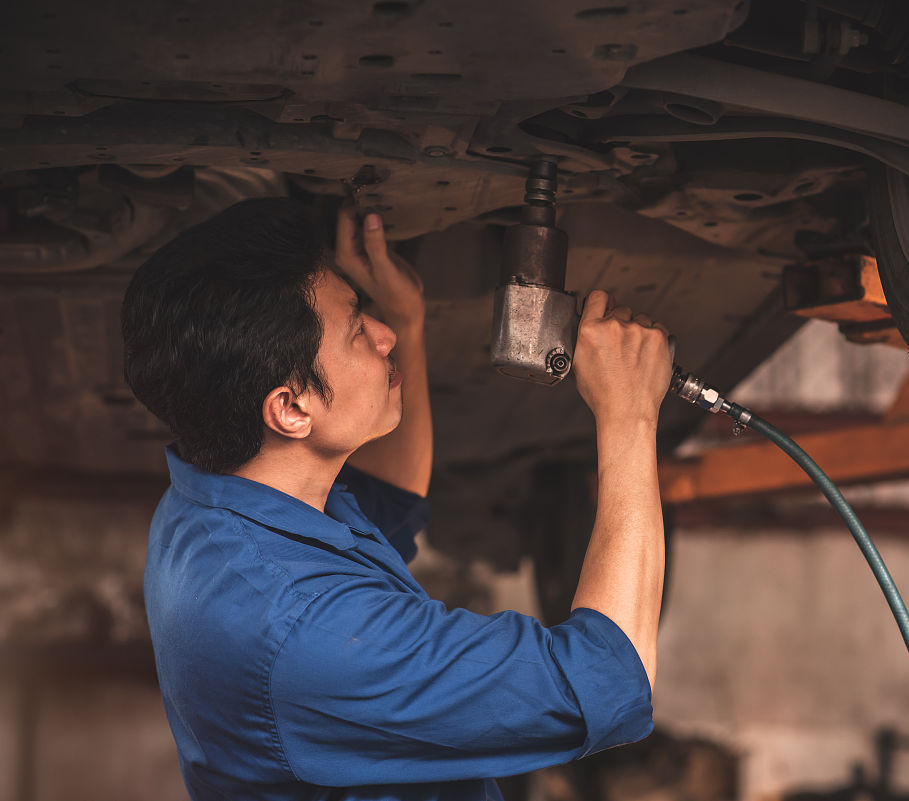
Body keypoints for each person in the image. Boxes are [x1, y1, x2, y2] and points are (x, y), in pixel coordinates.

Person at [120, 196, 673, 801]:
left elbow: (389, 507)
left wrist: (409, 326)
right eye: (360, 329)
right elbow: (607, 677)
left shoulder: (211, 507)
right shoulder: (306, 632)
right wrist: (630, 413)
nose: (380, 334)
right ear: (291, 409)